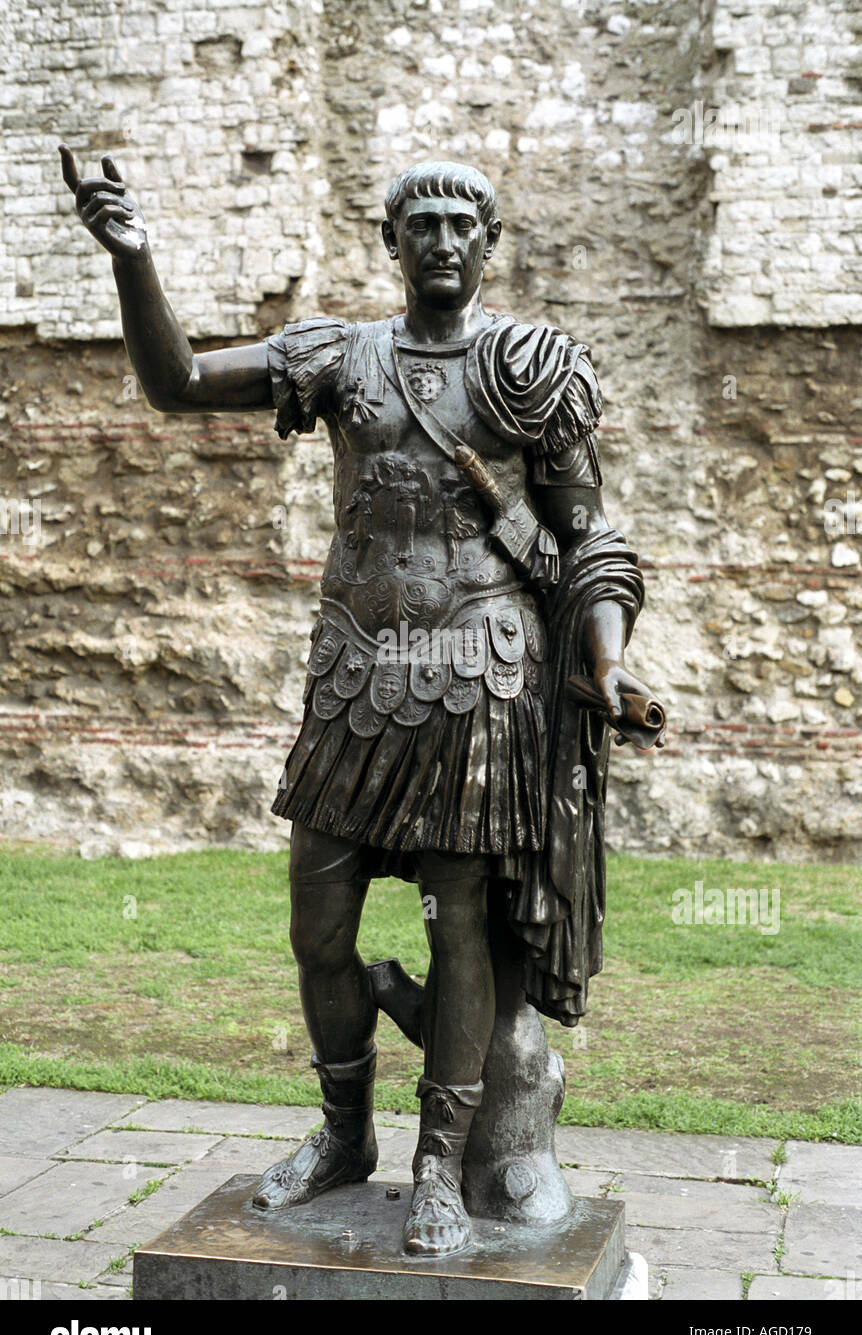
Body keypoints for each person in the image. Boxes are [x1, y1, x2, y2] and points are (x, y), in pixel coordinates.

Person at [60, 149, 657, 1258]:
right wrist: (131, 255)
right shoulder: (342, 355)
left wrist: (607, 660)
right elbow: (177, 382)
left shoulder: (529, 368)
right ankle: (344, 1134)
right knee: (317, 924)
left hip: (484, 669)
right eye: (418, 222)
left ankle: (440, 1163)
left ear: (487, 242)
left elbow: (589, 538)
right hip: (355, 673)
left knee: (460, 924)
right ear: (391, 242)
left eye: (459, 223)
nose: (440, 240)